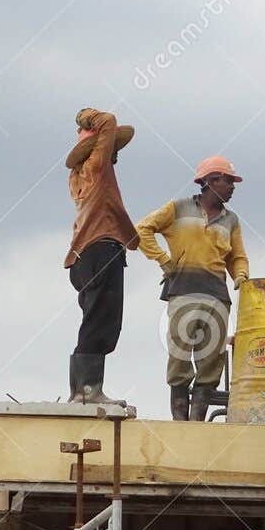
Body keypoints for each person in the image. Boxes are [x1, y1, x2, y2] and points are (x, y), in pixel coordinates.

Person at [135, 156, 250, 420]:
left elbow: (238, 257)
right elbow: (141, 230)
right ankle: (180, 424)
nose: (232, 187)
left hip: (218, 297)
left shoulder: (231, 220)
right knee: (179, 358)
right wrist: (163, 260)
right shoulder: (178, 209)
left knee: (212, 360)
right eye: (228, 181)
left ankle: (197, 422)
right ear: (210, 182)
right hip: (183, 292)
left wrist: (241, 275)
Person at [62, 108, 137, 403]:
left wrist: (133, 240)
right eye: (111, 147)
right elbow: (108, 121)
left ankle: (85, 390)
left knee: (98, 320)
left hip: (85, 257)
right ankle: (87, 391)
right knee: (101, 322)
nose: (114, 153)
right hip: (100, 251)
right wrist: (86, 117)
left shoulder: (80, 178)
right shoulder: (97, 168)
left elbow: (116, 215)